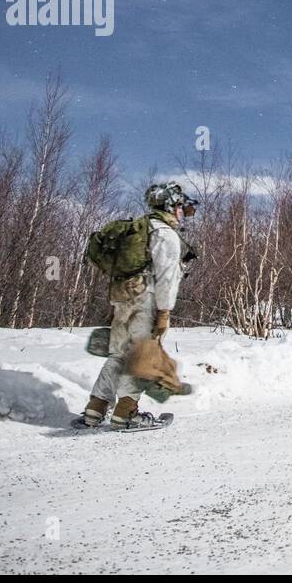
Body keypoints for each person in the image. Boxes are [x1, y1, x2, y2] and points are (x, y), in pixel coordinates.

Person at [81, 182, 196, 429]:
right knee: (141, 356)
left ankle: (95, 408)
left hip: (122, 297)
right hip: (146, 300)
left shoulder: (140, 228)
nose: (182, 212)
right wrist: (164, 312)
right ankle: (126, 413)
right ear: (170, 206)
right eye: (180, 207)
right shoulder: (165, 234)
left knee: (119, 354)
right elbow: (166, 278)